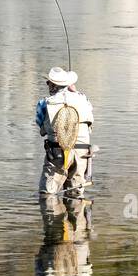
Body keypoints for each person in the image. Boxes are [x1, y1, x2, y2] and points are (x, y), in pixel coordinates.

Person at [35, 67, 95, 195]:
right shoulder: (84, 99)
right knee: (76, 194)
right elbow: (90, 124)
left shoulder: (44, 103)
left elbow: (42, 131)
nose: (47, 85)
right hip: (82, 152)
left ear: (53, 85)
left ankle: (51, 212)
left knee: (47, 195)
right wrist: (76, 92)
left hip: (57, 152)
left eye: (48, 82)